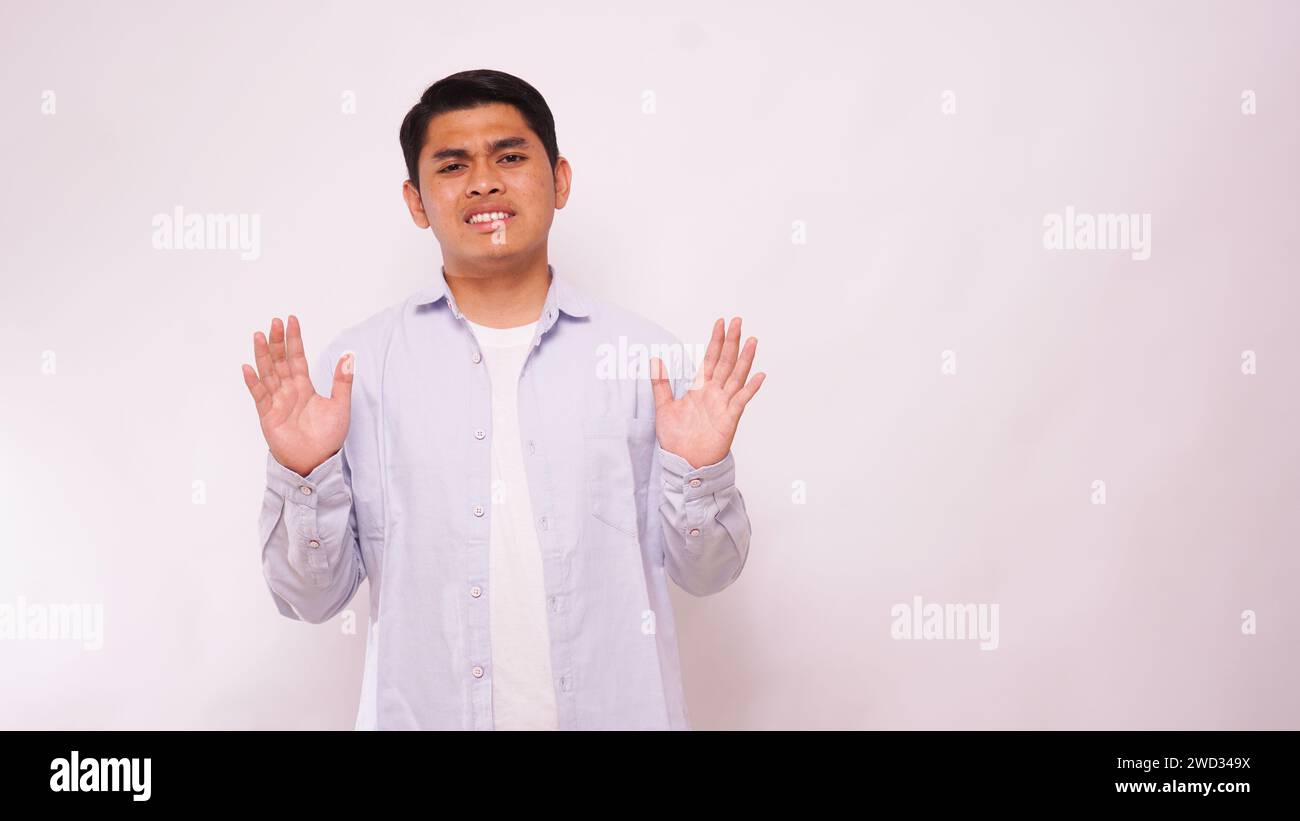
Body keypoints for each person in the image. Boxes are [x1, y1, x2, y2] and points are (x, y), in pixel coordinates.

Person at [240, 70, 765, 730]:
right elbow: (310, 600)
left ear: (561, 179)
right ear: (415, 200)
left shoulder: (646, 362)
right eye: (453, 165)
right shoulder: (357, 369)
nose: (485, 182)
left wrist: (702, 474)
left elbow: (709, 575)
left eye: (510, 157)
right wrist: (303, 476)